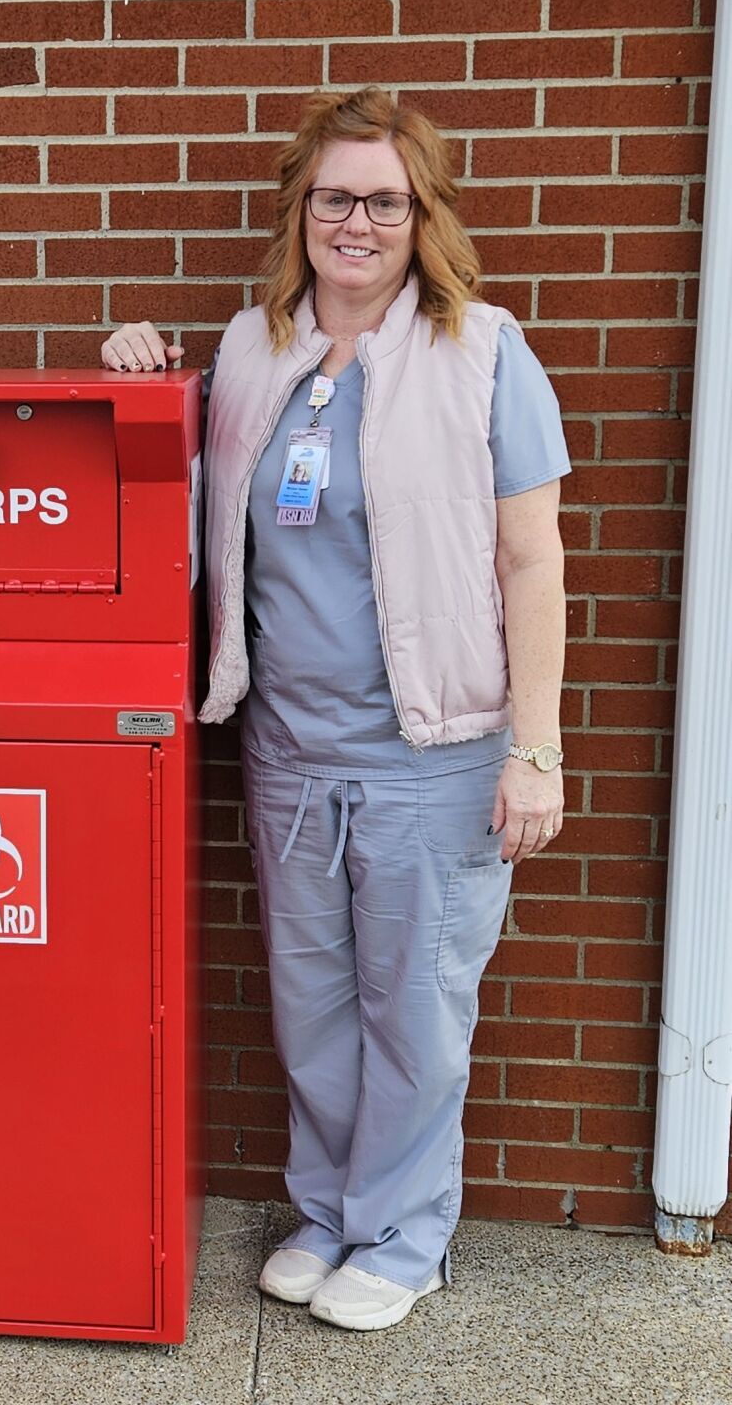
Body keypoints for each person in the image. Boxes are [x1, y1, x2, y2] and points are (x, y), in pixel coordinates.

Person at [101, 87, 569, 1333]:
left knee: (412, 1007)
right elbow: (184, 484)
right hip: (288, 748)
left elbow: (533, 561)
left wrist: (536, 749)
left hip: (433, 753)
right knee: (310, 1005)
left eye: (382, 200)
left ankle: (402, 1238)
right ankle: (325, 1215)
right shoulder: (257, 348)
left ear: (421, 217)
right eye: (333, 198)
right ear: (299, 212)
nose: (354, 222)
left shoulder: (482, 351)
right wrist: (140, 368)